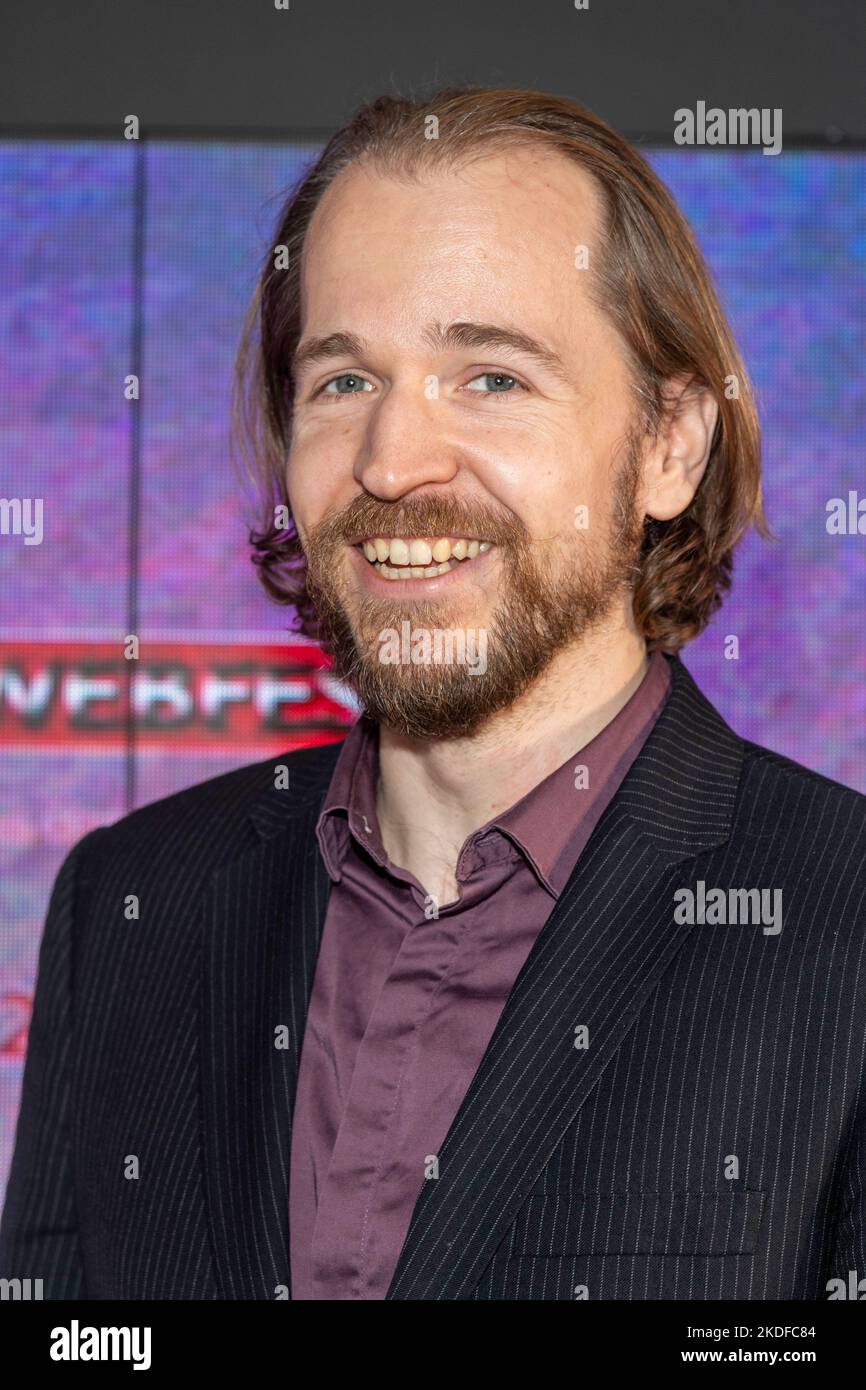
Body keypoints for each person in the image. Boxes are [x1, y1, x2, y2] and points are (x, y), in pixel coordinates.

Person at [2, 86, 864, 1301]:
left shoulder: (839, 924)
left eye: (491, 378)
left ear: (669, 442)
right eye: (343, 381)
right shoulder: (131, 907)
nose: (393, 462)